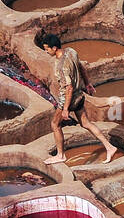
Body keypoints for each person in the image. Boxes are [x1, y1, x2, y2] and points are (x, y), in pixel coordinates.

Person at [41, 32, 117, 165]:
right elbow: (81, 67)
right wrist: (87, 83)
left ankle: (60, 155)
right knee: (86, 123)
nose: (45, 51)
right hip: (79, 96)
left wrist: (65, 109)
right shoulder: (71, 51)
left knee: (55, 124)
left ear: (54, 48)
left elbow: (68, 88)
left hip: (68, 99)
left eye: (47, 48)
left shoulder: (61, 66)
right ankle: (109, 147)